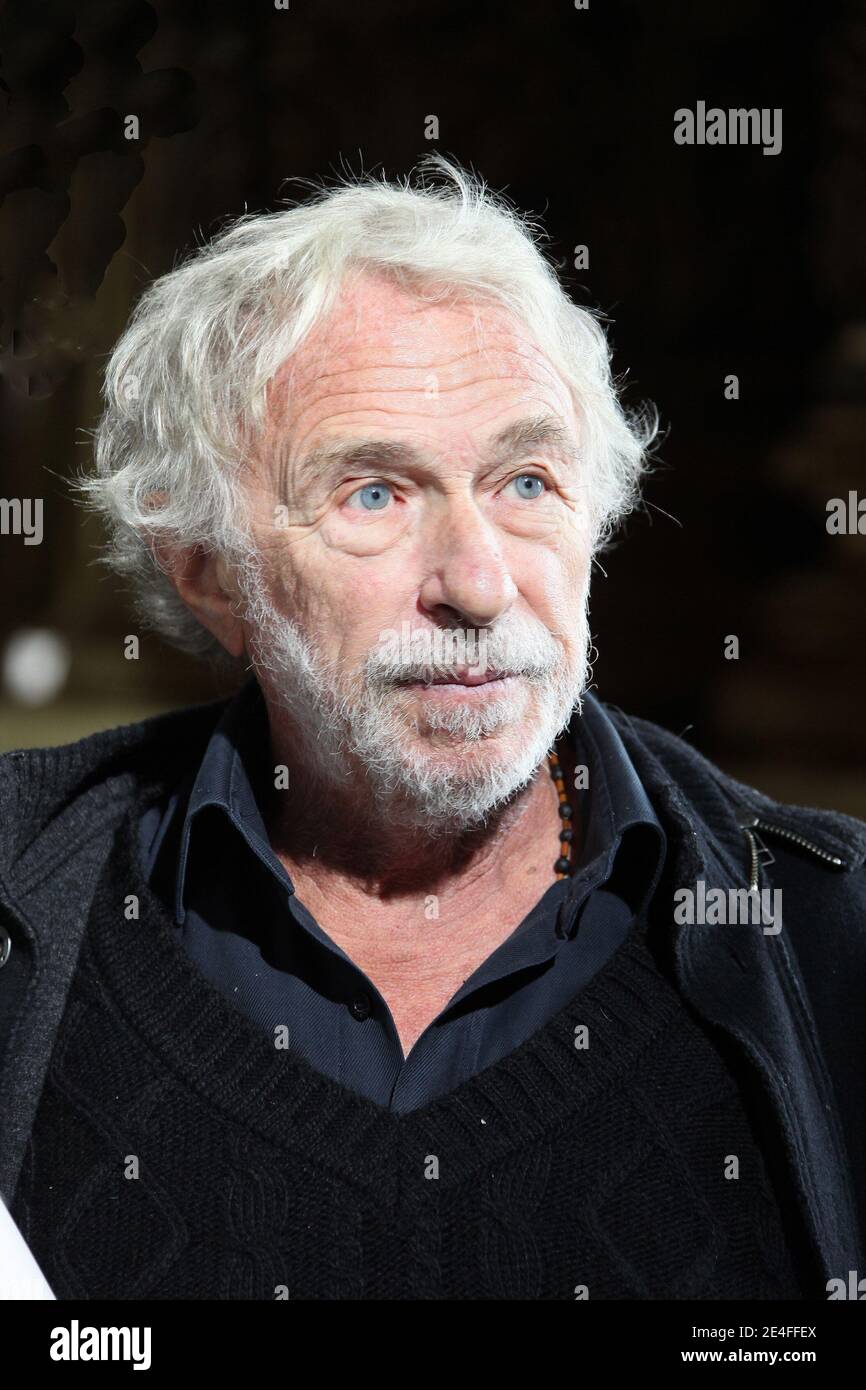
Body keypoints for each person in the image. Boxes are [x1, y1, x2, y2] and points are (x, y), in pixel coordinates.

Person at [1, 156, 864, 1301]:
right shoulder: (23, 886)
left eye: (523, 481)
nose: (479, 581)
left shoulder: (826, 930)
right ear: (207, 571)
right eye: (374, 493)